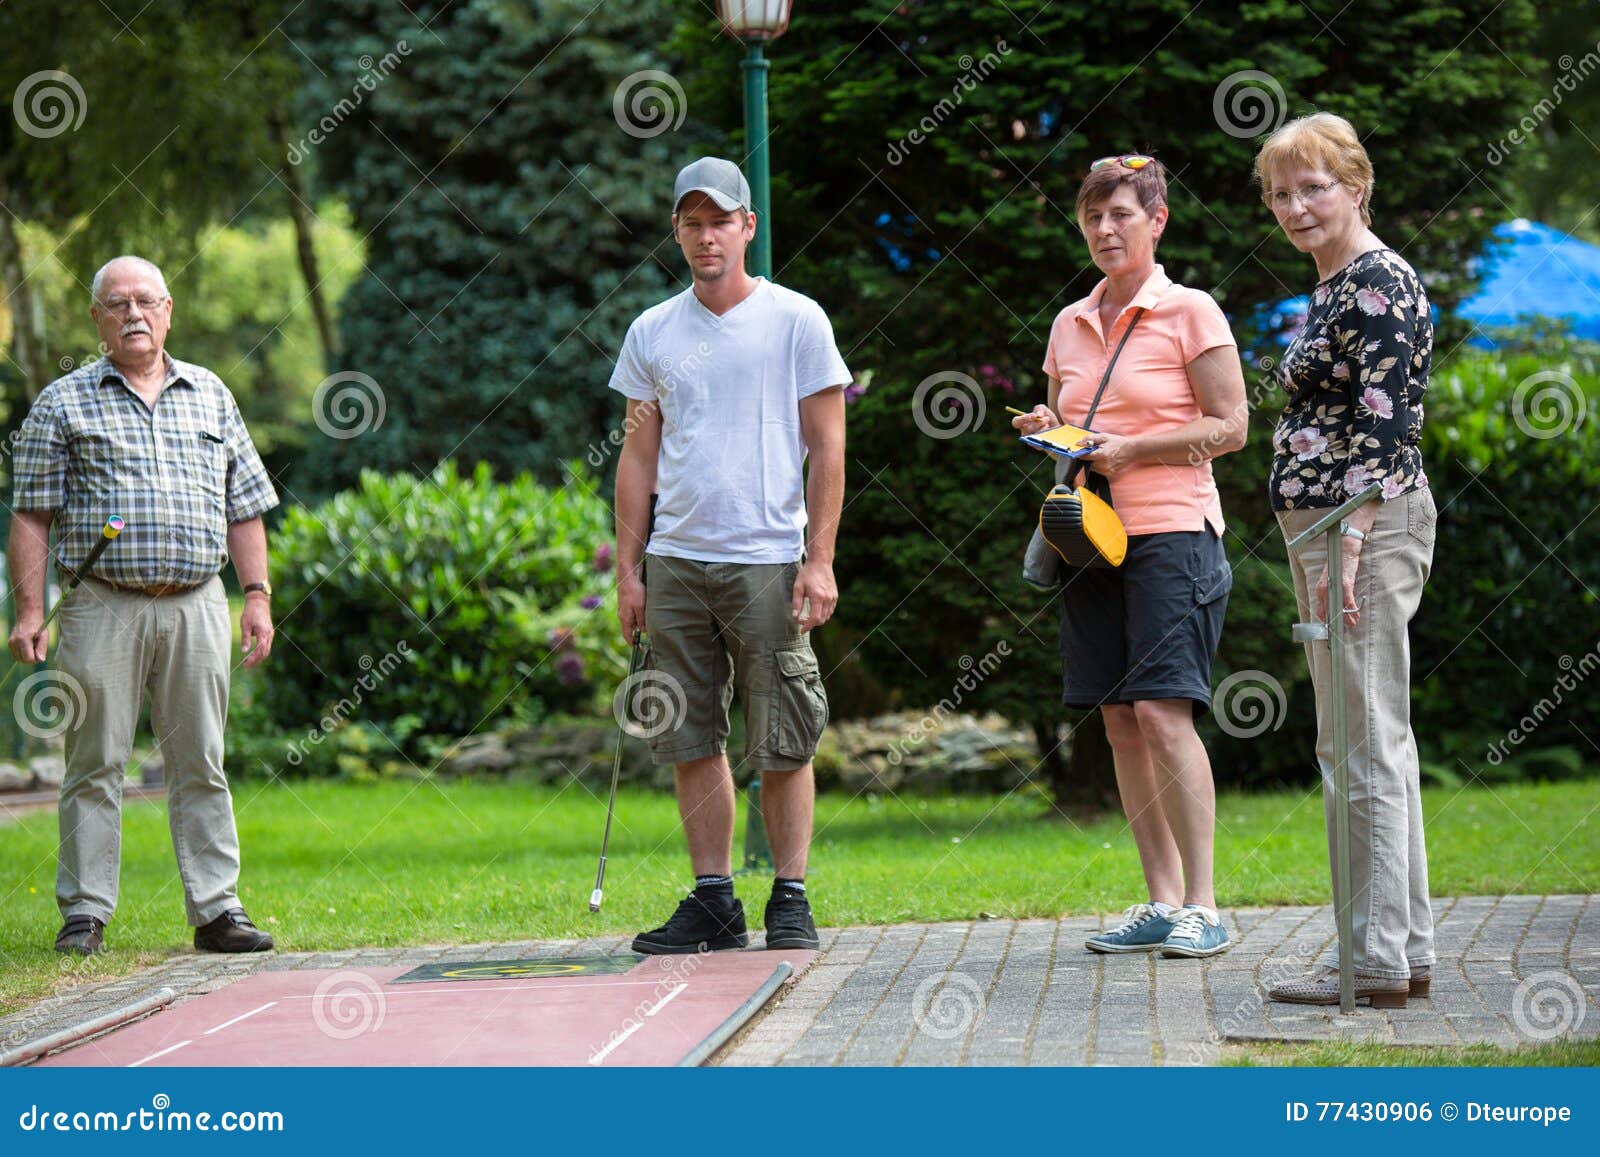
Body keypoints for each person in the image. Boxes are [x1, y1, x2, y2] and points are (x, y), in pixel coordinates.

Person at [609, 157, 849, 954]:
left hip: (769, 557)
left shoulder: (796, 320)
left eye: (721, 221)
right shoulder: (652, 330)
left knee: (783, 730)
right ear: (677, 231)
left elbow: (828, 444)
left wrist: (819, 559)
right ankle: (714, 898)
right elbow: (637, 459)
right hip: (677, 560)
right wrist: (629, 571)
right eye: (692, 222)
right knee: (689, 733)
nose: (706, 236)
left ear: (748, 227)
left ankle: (790, 895)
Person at [8, 255, 279, 956]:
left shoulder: (212, 394)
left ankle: (218, 910)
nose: (133, 313)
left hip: (196, 602)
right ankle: (85, 912)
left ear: (168, 311)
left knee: (201, 759)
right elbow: (32, 515)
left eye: (146, 301)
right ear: (96, 317)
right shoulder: (63, 402)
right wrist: (29, 610)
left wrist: (257, 596)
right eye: (117, 303)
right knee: (94, 759)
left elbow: (244, 506)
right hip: (103, 605)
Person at [1013, 155, 1247, 958]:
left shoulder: (1191, 312)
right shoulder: (1069, 321)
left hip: (1174, 531)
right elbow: (1074, 428)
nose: (1106, 230)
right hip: (1090, 537)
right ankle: (1161, 898)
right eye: (1094, 217)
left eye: (1122, 215)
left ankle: (1206, 905)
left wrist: (1135, 448)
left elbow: (1232, 426)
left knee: (1160, 709)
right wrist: (1047, 423)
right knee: (1117, 718)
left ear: (1158, 221)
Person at [1253, 114, 1436, 1009]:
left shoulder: (1376, 280)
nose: (1295, 206)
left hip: (1355, 528)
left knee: (1357, 746)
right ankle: (1403, 947)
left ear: (1357, 187)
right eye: (1282, 193)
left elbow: (1387, 420)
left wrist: (1351, 538)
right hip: (1330, 527)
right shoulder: (1335, 284)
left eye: (1313, 187)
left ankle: (1370, 960)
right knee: (1372, 741)